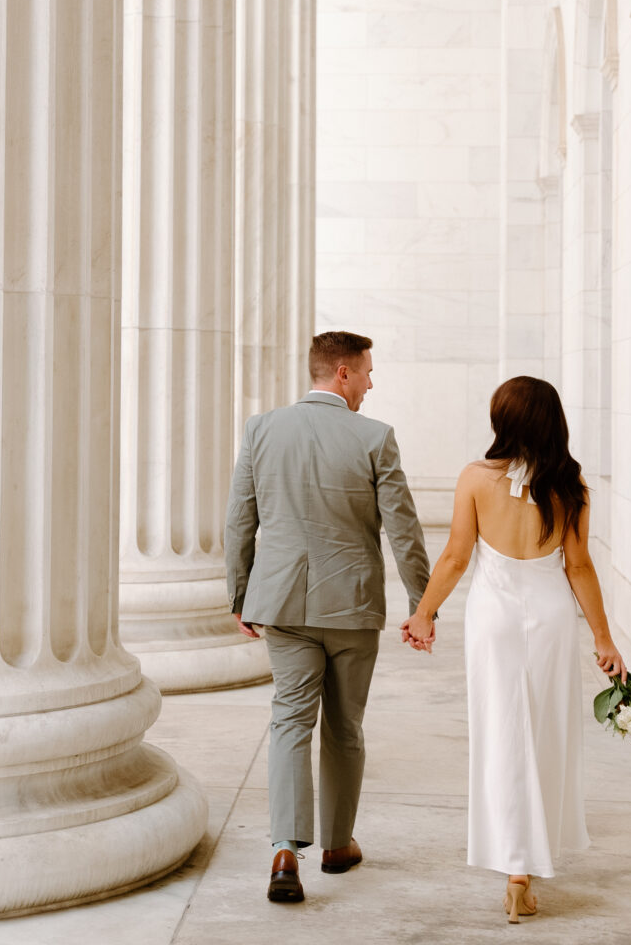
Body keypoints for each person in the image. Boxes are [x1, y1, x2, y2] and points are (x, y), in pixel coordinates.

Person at [402, 375, 626, 924]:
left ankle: (513, 865)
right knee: (545, 730)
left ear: (504, 421)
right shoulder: (570, 483)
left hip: (494, 618)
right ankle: (526, 867)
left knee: (500, 731)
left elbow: (456, 556)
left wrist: (424, 614)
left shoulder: (475, 478)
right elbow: (579, 566)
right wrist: (603, 638)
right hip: (551, 617)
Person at [224, 330, 432, 904]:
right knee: (345, 727)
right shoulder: (376, 437)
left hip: (282, 602)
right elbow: (404, 529)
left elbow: (240, 518)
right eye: (367, 372)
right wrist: (423, 604)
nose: (371, 383)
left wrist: (240, 593)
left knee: (290, 721)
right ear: (342, 372)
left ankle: (285, 851)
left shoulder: (262, 429)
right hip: (352, 605)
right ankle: (338, 846)